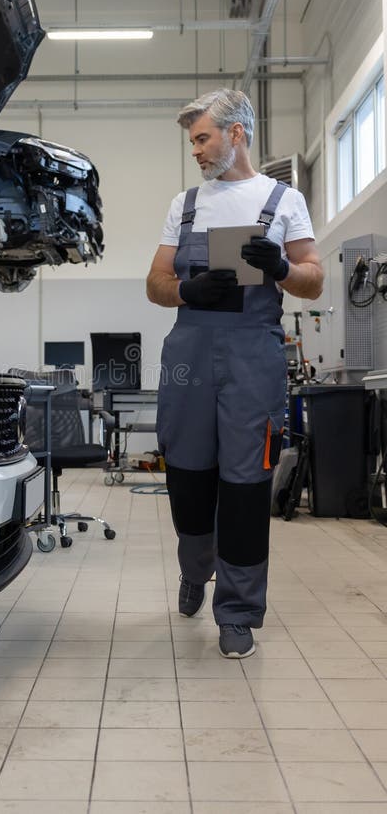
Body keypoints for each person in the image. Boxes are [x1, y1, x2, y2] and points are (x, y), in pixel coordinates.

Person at [146, 88, 323, 659]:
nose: (196, 150)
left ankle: (239, 613)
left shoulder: (284, 200)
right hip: (190, 353)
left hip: (253, 356)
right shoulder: (185, 205)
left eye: (203, 138)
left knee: (246, 485)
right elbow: (155, 284)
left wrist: (283, 267)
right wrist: (186, 290)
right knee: (188, 475)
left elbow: (314, 279)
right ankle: (195, 568)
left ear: (236, 134)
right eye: (192, 141)